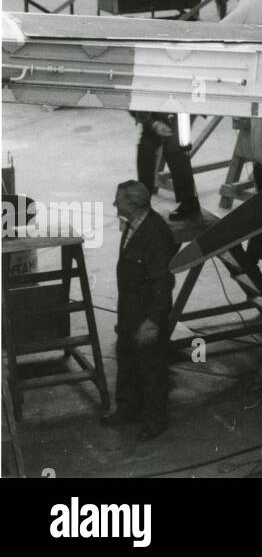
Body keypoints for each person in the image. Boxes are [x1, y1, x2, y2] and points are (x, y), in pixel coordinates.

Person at [102, 180, 177, 441]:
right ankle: (128, 409)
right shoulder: (134, 225)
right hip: (129, 310)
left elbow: (163, 283)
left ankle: (155, 420)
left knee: (151, 368)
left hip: (146, 315)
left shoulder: (156, 234)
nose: (114, 203)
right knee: (127, 360)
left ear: (133, 204)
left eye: (119, 199)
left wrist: (153, 321)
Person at [132, 111, 200, 220]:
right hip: (156, 108)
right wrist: (153, 124)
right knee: (146, 146)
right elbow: (133, 106)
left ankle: (189, 202)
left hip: (183, 107)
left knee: (174, 147)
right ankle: (143, 207)